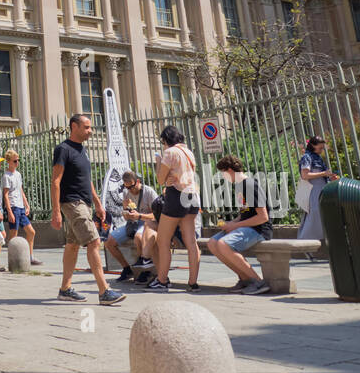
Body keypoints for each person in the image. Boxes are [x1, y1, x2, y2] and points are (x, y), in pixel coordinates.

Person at [51, 114, 125, 305]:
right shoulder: (63, 149)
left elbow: (87, 180)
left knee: (73, 245)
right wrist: (56, 211)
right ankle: (104, 291)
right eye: (86, 127)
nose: (90, 131)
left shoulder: (82, 150)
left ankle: (65, 288)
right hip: (72, 203)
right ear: (74, 126)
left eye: (91, 127)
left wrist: (98, 203)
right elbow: (56, 181)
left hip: (85, 203)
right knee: (93, 241)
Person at [205, 154, 273, 295]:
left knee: (223, 244)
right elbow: (245, 213)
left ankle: (258, 282)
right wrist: (232, 223)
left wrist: (234, 226)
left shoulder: (249, 185)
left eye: (223, 173)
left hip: (259, 229)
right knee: (212, 243)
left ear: (229, 170)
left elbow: (263, 217)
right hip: (247, 227)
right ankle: (245, 279)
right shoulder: (239, 187)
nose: (223, 177)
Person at [149, 125, 201, 292]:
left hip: (176, 195)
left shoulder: (170, 152)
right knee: (191, 242)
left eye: (163, 141)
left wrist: (158, 162)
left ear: (166, 140)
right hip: (192, 195)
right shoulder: (188, 152)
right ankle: (193, 283)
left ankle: (162, 279)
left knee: (162, 240)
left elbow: (160, 179)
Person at [104, 171, 158, 282]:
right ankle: (126, 269)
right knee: (109, 242)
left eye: (132, 187)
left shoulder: (149, 192)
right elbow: (126, 217)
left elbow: (157, 215)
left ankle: (145, 270)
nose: (130, 190)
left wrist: (139, 216)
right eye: (126, 187)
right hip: (133, 223)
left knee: (138, 237)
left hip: (148, 223)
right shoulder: (126, 193)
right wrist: (125, 211)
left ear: (137, 181)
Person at [1, 149, 41, 265]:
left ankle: (30, 257)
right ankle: (13, 260)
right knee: (14, 235)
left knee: (31, 232)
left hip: (21, 207)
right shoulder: (6, 176)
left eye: (18, 160)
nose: (17, 162)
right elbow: (5, 194)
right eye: (14, 161)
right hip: (13, 207)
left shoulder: (18, 174)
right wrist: (9, 211)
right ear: (8, 161)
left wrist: (27, 204)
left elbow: (21, 190)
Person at [298, 135, 339, 241]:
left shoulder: (318, 157)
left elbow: (322, 175)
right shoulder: (307, 157)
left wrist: (331, 177)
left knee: (320, 215)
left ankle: (313, 242)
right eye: (320, 148)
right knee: (314, 215)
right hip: (312, 192)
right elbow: (305, 175)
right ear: (312, 145)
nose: (321, 150)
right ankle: (304, 242)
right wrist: (324, 173)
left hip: (320, 191)